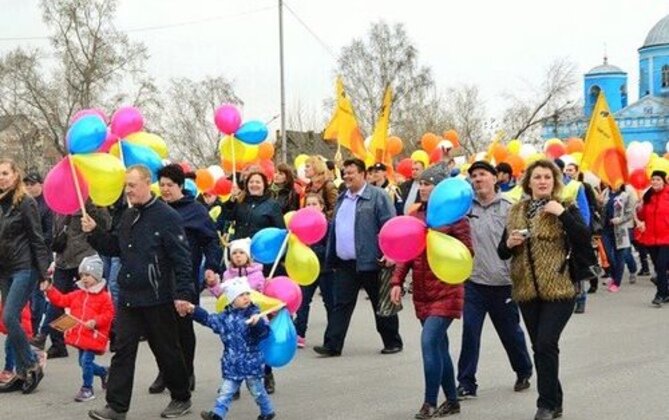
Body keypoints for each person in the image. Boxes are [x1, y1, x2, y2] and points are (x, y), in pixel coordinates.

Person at [82, 165, 195, 420]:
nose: (128, 190)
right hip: (129, 295)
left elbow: (182, 259)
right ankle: (116, 407)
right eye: (126, 185)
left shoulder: (167, 216)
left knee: (166, 349)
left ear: (147, 183)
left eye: (132, 185)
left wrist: (183, 294)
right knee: (122, 350)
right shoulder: (127, 216)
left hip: (158, 296)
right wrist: (94, 233)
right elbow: (115, 247)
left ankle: (181, 396)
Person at [497, 159, 589, 420]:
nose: (542, 181)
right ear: (529, 182)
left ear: (555, 181)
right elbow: (501, 251)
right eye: (537, 177)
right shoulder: (516, 211)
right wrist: (510, 243)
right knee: (541, 347)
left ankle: (545, 404)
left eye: (547, 177)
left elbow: (584, 237)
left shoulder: (566, 207)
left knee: (546, 343)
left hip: (560, 289)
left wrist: (561, 213)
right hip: (527, 290)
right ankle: (555, 401)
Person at [389, 164, 471, 418]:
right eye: (421, 183)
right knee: (439, 346)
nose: (423, 187)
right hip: (423, 292)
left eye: (429, 183)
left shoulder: (457, 218)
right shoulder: (415, 217)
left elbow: (468, 253)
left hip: (448, 289)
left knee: (429, 342)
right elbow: (406, 253)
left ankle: (429, 402)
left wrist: (439, 241)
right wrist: (396, 281)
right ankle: (453, 401)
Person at [456, 161, 533, 399]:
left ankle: (523, 370)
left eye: (482, 175)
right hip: (474, 282)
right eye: (474, 176)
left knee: (510, 333)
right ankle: (467, 382)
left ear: (494, 178)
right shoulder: (464, 209)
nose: (478, 179)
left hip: (503, 284)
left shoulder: (510, 208)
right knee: (470, 332)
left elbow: (523, 241)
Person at [314, 158, 403, 357]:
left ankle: (392, 341)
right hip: (345, 263)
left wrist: (390, 253)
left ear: (363, 174)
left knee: (380, 303)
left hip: (372, 262)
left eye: (351, 172)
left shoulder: (378, 197)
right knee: (341, 305)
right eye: (344, 173)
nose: (346, 176)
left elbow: (390, 227)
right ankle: (332, 345)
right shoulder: (342, 198)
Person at [148, 164, 223, 394]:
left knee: (182, 328)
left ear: (181, 186)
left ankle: (186, 371)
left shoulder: (195, 210)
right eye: (162, 185)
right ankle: (166, 371)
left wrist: (211, 267)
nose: (165, 189)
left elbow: (211, 241)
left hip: (185, 278)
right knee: (160, 330)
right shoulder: (155, 209)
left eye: (170, 185)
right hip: (158, 278)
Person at [187, 277, 275, 420]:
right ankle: (217, 414)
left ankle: (267, 411)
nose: (246, 297)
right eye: (241, 295)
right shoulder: (225, 318)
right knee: (226, 391)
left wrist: (257, 323)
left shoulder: (255, 314)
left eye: (247, 293)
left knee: (257, 390)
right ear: (232, 299)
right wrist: (194, 310)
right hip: (233, 363)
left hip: (251, 363)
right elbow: (209, 320)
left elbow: (265, 333)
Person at [0, 158, 50, 394]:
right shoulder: (1, 205)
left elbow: (37, 239)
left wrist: (43, 274)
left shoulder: (25, 202)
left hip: (24, 267)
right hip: (5, 270)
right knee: (13, 321)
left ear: (15, 175)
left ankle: (31, 362)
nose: (1, 177)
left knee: (10, 317)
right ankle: (21, 372)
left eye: (5, 173)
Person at [38, 201, 110, 359]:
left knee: (93, 302)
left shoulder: (90, 200)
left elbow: (105, 224)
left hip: (84, 261)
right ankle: (57, 343)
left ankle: (96, 337)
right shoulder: (59, 201)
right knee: (58, 302)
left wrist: (94, 208)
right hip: (63, 259)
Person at [204, 237, 274, 394]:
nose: (238, 256)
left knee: (259, 350)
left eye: (241, 252)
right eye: (234, 253)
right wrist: (213, 285)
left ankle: (267, 375)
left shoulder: (257, 274)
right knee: (233, 353)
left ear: (248, 256)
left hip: (254, 319)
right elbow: (222, 296)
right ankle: (232, 384)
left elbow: (263, 297)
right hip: (234, 322)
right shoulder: (228, 275)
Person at [42, 254, 114, 402]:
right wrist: (50, 290)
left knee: (86, 362)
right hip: (81, 335)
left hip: (93, 335)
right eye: (82, 275)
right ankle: (103, 372)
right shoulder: (77, 294)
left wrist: (96, 321)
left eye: (88, 275)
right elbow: (61, 300)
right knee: (82, 362)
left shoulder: (104, 297)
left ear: (97, 276)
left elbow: (109, 314)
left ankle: (87, 388)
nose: (85, 278)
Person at [293, 193, 334, 349]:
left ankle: (332, 336)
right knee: (303, 302)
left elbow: (330, 247)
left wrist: (311, 250)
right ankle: (300, 333)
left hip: (325, 269)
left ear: (321, 206)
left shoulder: (327, 225)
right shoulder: (300, 226)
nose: (310, 207)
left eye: (314, 204)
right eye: (308, 204)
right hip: (307, 270)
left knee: (330, 303)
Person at [23, 172, 52, 336]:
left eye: (31, 184)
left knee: (37, 295)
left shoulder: (46, 206)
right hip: (24, 256)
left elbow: (49, 234)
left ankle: (35, 329)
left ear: (40, 185)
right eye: (26, 184)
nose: (28, 187)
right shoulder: (23, 204)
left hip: (41, 256)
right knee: (27, 295)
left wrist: (35, 240)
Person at [223, 171, 285, 242]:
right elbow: (227, 216)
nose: (254, 184)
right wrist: (232, 200)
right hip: (240, 248)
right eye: (251, 182)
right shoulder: (240, 201)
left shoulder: (272, 205)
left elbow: (280, 231)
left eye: (258, 182)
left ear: (264, 185)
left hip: (261, 247)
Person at [637, 170, 669, 306]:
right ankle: (665, 292)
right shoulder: (648, 195)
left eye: (658, 179)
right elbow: (642, 216)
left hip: (666, 238)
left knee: (661, 266)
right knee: (658, 267)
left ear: (664, 181)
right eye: (653, 179)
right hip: (651, 238)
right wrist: (640, 208)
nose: (655, 182)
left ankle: (660, 294)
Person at [601, 184, 634, 292]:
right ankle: (613, 276)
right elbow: (600, 208)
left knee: (619, 256)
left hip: (619, 230)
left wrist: (619, 220)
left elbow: (629, 213)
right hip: (605, 229)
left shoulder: (626, 195)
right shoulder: (606, 192)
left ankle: (617, 282)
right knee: (609, 255)